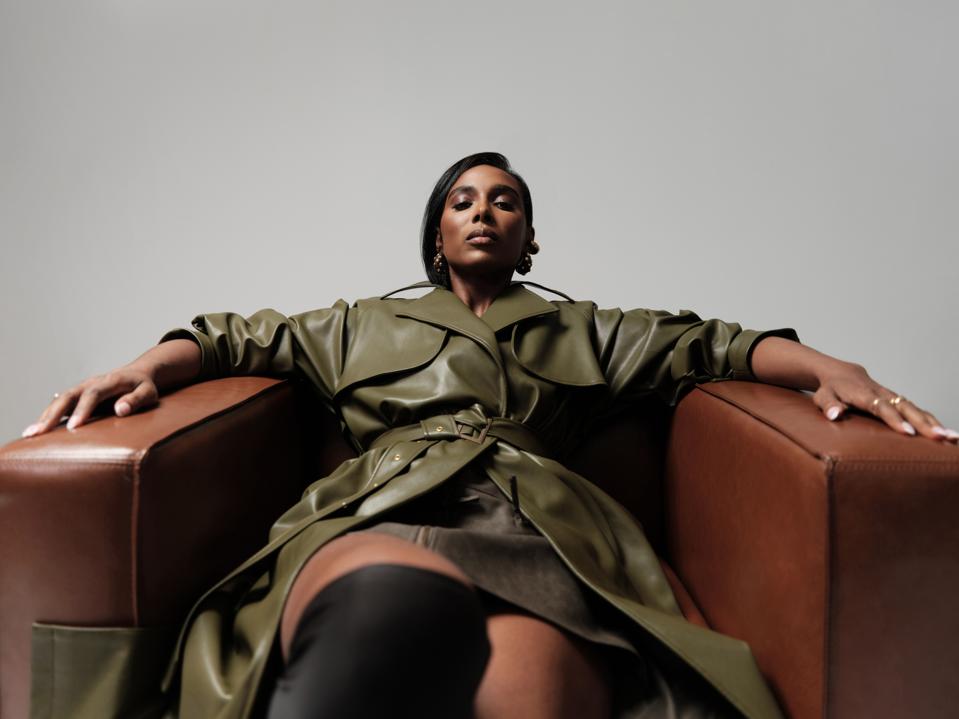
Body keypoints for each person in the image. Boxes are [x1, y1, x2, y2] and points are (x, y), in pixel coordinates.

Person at [23, 152, 958, 719]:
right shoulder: (355, 324)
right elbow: (232, 336)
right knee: (392, 608)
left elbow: (712, 344)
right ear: (437, 235)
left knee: (540, 688)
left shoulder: (586, 328)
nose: (483, 210)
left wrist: (833, 368)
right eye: (464, 199)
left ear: (529, 239)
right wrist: (142, 366)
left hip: (538, 528)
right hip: (379, 508)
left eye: (504, 201)